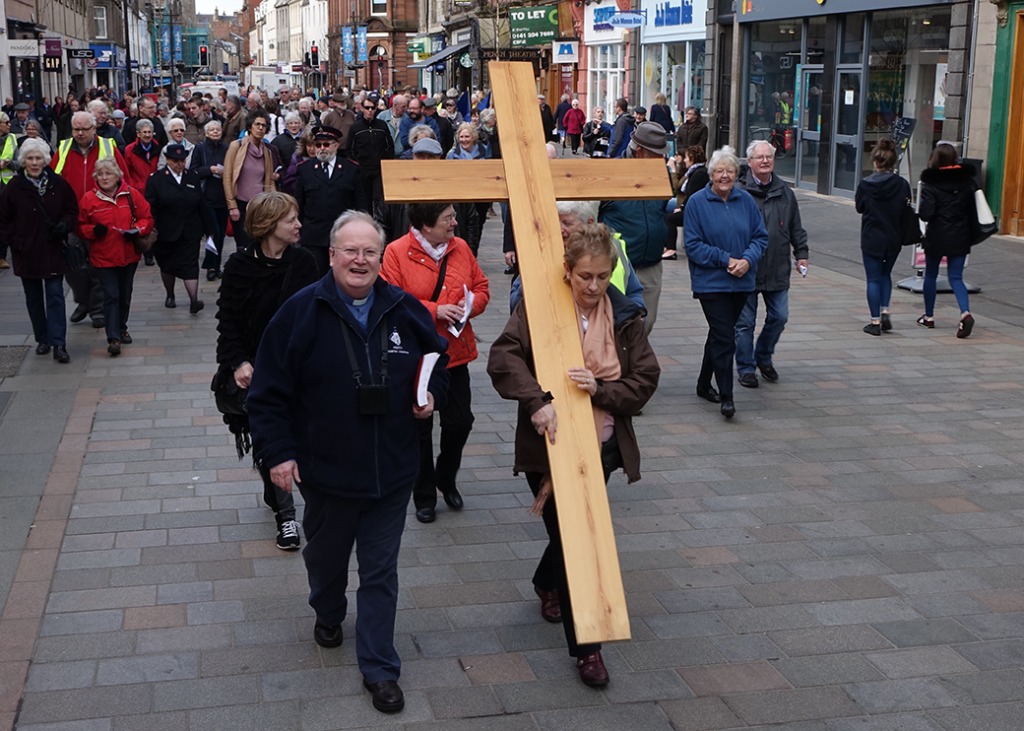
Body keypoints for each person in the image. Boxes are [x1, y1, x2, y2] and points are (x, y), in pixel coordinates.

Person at [247, 211, 450, 714]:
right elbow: (268, 394)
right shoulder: (300, 313)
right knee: (326, 559)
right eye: (350, 250)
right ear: (332, 254)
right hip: (327, 473)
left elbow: (438, 361)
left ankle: (380, 667)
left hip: (392, 471)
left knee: (380, 572)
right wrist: (279, 453)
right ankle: (328, 609)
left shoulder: (405, 310)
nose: (360, 260)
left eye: (369, 252)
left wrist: (431, 396)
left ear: (381, 258)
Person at [487, 222, 659, 687]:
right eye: (585, 276)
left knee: (572, 528)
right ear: (568, 271)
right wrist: (537, 402)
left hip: (601, 447)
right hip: (549, 445)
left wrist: (602, 389)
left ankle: (546, 583)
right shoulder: (540, 308)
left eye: (603, 277)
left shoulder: (624, 315)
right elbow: (503, 358)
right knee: (575, 540)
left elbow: (644, 380)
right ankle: (588, 650)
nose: (594, 286)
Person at [215, 191, 319, 550]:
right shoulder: (239, 266)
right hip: (256, 372)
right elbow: (227, 321)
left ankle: (281, 488)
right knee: (270, 437)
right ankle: (286, 518)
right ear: (269, 224)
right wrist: (239, 362)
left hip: (297, 370)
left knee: (293, 437)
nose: (298, 225)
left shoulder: (305, 263)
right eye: (291, 219)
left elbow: (315, 320)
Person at [380, 202, 490, 524]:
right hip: (415, 357)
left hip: (454, 352)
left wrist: (470, 307)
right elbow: (391, 299)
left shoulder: (461, 248)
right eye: (448, 218)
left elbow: (481, 288)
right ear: (426, 225)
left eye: (454, 216)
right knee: (420, 427)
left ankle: (446, 476)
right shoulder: (396, 252)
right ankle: (424, 496)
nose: (456, 223)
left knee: (460, 421)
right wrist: (434, 310)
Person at [684, 146, 768, 419]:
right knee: (725, 337)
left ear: (736, 174)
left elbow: (760, 237)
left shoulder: (745, 201)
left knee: (720, 333)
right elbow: (693, 245)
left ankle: (701, 383)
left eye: (729, 171)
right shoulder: (696, 203)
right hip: (711, 283)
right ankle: (727, 397)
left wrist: (746, 260)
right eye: (719, 171)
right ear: (711, 174)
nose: (724, 176)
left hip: (742, 281)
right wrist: (726, 260)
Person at [733, 140, 809, 387]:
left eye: (769, 157)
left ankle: (763, 357)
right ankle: (745, 368)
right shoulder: (739, 192)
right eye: (760, 157)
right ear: (750, 161)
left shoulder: (785, 191)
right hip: (746, 269)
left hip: (777, 266)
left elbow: (796, 226)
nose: (765, 161)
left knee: (779, 316)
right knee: (744, 323)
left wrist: (802, 254)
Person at [0, 139, 78, 362]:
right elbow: (3, 220)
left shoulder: (58, 184)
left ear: (45, 160)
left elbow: (72, 210)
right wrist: (17, 242)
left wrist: (64, 225)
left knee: (55, 295)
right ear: (23, 161)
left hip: (53, 249)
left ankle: (58, 343)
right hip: (26, 252)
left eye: (38, 158)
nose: (34, 163)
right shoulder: (14, 187)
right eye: (30, 159)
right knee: (33, 298)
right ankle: (42, 338)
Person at [52, 110, 129, 330]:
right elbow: (52, 179)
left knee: (98, 267)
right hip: (71, 218)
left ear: (94, 128)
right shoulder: (64, 148)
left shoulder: (108, 146)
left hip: (102, 218)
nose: (79, 133)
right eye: (76, 129)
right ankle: (83, 300)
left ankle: (96, 310)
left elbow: (123, 178)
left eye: (84, 129)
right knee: (73, 265)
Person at [598, 122, 672, 334]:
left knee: (645, 327)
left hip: (651, 266)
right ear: (640, 152)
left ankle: (634, 365)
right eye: (658, 155)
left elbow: (662, 207)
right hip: (617, 268)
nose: (663, 159)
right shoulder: (610, 174)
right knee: (615, 328)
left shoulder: (661, 172)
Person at [510, 199, 646, 314]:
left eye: (567, 223)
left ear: (589, 222)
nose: (559, 229)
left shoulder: (613, 248)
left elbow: (634, 293)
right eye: (554, 221)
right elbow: (515, 301)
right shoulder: (541, 253)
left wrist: (638, 315)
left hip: (612, 333)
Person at [77, 158, 154, 356]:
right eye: (100, 174)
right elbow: (79, 227)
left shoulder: (131, 195)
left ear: (117, 175)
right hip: (103, 257)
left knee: (125, 294)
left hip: (128, 255)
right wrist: (93, 230)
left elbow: (147, 218)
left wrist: (136, 230)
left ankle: (121, 327)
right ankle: (113, 338)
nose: (104, 178)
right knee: (111, 295)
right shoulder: (89, 199)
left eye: (107, 174)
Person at [145, 144, 215, 313]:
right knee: (167, 265)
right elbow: (151, 207)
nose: (180, 164)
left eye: (182, 160)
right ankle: (170, 295)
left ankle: (194, 300)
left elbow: (201, 204)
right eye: (175, 160)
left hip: (190, 230)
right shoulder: (156, 179)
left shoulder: (192, 177)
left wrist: (209, 229)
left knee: (190, 265)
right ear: (167, 160)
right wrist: (151, 229)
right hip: (165, 232)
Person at [917, 143, 977, 337]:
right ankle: (965, 313)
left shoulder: (931, 183)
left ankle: (928, 317)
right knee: (956, 278)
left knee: (931, 275)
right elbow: (972, 210)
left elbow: (926, 214)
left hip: (937, 236)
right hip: (960, 235)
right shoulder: (968, 182)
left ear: (935, 159)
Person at [294, 126, 366, 276]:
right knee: (314, 278)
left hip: (343, 237)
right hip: (313, 237)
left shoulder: (350, 169)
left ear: (336, 145)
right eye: (318, 145)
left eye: (326, 144)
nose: (322, 148)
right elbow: (298, 204)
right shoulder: (305, 169)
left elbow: (360, 204)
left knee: (342, 277)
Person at [855, 138, 907, 336]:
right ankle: (885, 310)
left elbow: (860, 208)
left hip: (871, 236)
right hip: (894, 236)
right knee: (886, 274)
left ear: (875, 161)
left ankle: (875, 321)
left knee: (873, 279)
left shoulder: (865, 184)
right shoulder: (902, 184)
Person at [224, 111, 281, 252]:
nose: (260, 128)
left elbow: (269, 181)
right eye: (257, 124)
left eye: (263, 125)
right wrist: (232, 206)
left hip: (259, 207)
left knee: (259, 244)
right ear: (250, 127)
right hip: (240, 204)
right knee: (244, 246)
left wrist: (274, 204)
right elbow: (228, 176)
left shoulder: (267, 152)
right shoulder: (236, 146)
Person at [190, 119, 230, 280]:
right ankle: (210, 266)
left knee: (221, 235)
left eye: (218, 130)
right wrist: (210, 169)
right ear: (206, 133)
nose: (215, 132)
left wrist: (225, 172)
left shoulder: (226, 148)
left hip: (223, 196)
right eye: (212, 130)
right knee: (214, 233)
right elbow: (193, 171)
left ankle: (217, 265)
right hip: (206, 197)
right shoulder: (200, 148)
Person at [348, 95, 395, 213]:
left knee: (379, 198)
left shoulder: (382, 125)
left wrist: (386, 163)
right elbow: (349, 149)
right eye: (367, 107)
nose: (370, 110)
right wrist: (356, 165)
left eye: (372, 108)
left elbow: (389, 146)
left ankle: (380, 222)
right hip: (362, 169)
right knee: (365, 200)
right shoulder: (355, 128)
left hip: (379, 169)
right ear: (362, 108)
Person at [663, 144, 710, 260]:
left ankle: (671, 249)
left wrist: (682, 208)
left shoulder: (699, 173)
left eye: (686, 157)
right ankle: (666, 246)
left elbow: (692, 194)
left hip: (698, 211)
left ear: (692, 158)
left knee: (670, 218)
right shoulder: (694, 172)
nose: (684, 160)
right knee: (668, 216)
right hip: (694, 208)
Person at [123, 118, 161, 190]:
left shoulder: (159, 149)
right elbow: (125, 172)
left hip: (155, 190)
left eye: (149, 132)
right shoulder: (129, 150)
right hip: (138, 191)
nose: (147, 135)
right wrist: (134, 186)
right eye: (144, 132)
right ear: (138, 134)